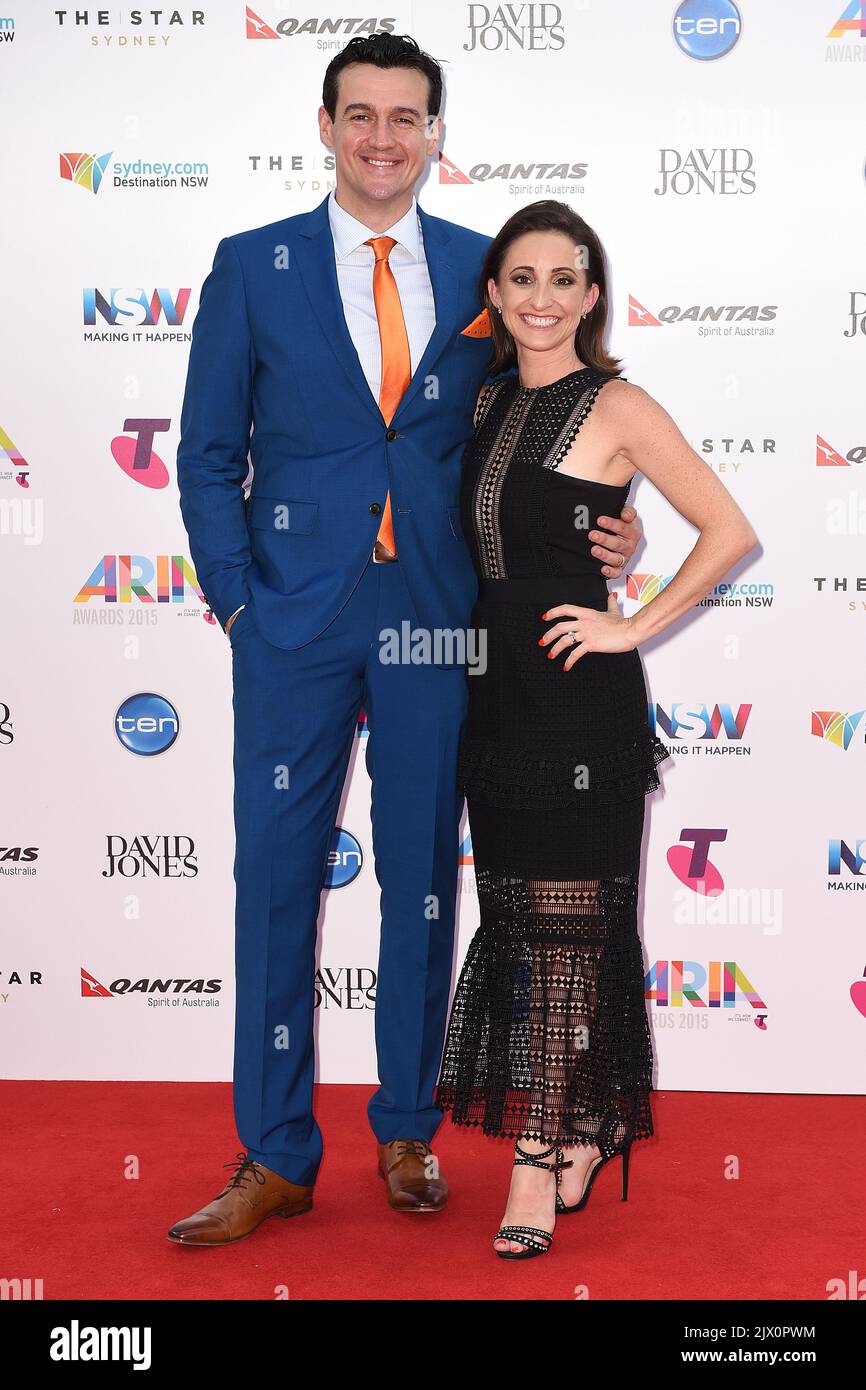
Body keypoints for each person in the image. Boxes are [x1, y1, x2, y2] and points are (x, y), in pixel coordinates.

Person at [169, 35, 642, 1246]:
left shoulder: (480, 271)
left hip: (438, 623)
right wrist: (237, 600)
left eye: (407, 117)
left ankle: (405, 1129)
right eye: (362, 115)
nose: (384, 136)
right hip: (292, 621)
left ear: (436, 132)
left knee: (423, 877)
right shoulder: (250, 265)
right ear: (323, 125)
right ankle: (273, 1151)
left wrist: (607, 528)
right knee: (276, 877)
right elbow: (209, 453)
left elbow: (543, 419)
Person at [434, 199, 757, 1259]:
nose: (540, 298)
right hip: (492, 690)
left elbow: (729, 530)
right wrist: (604, 538)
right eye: (518, 279)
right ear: (493, 294)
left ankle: (538, 1151)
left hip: (577, 699)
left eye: (561, 278)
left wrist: (630, 625)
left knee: (569, 932)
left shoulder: (617, 403)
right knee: (519, 927)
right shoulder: (481, 403)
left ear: (590, 293)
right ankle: (585, 1119)